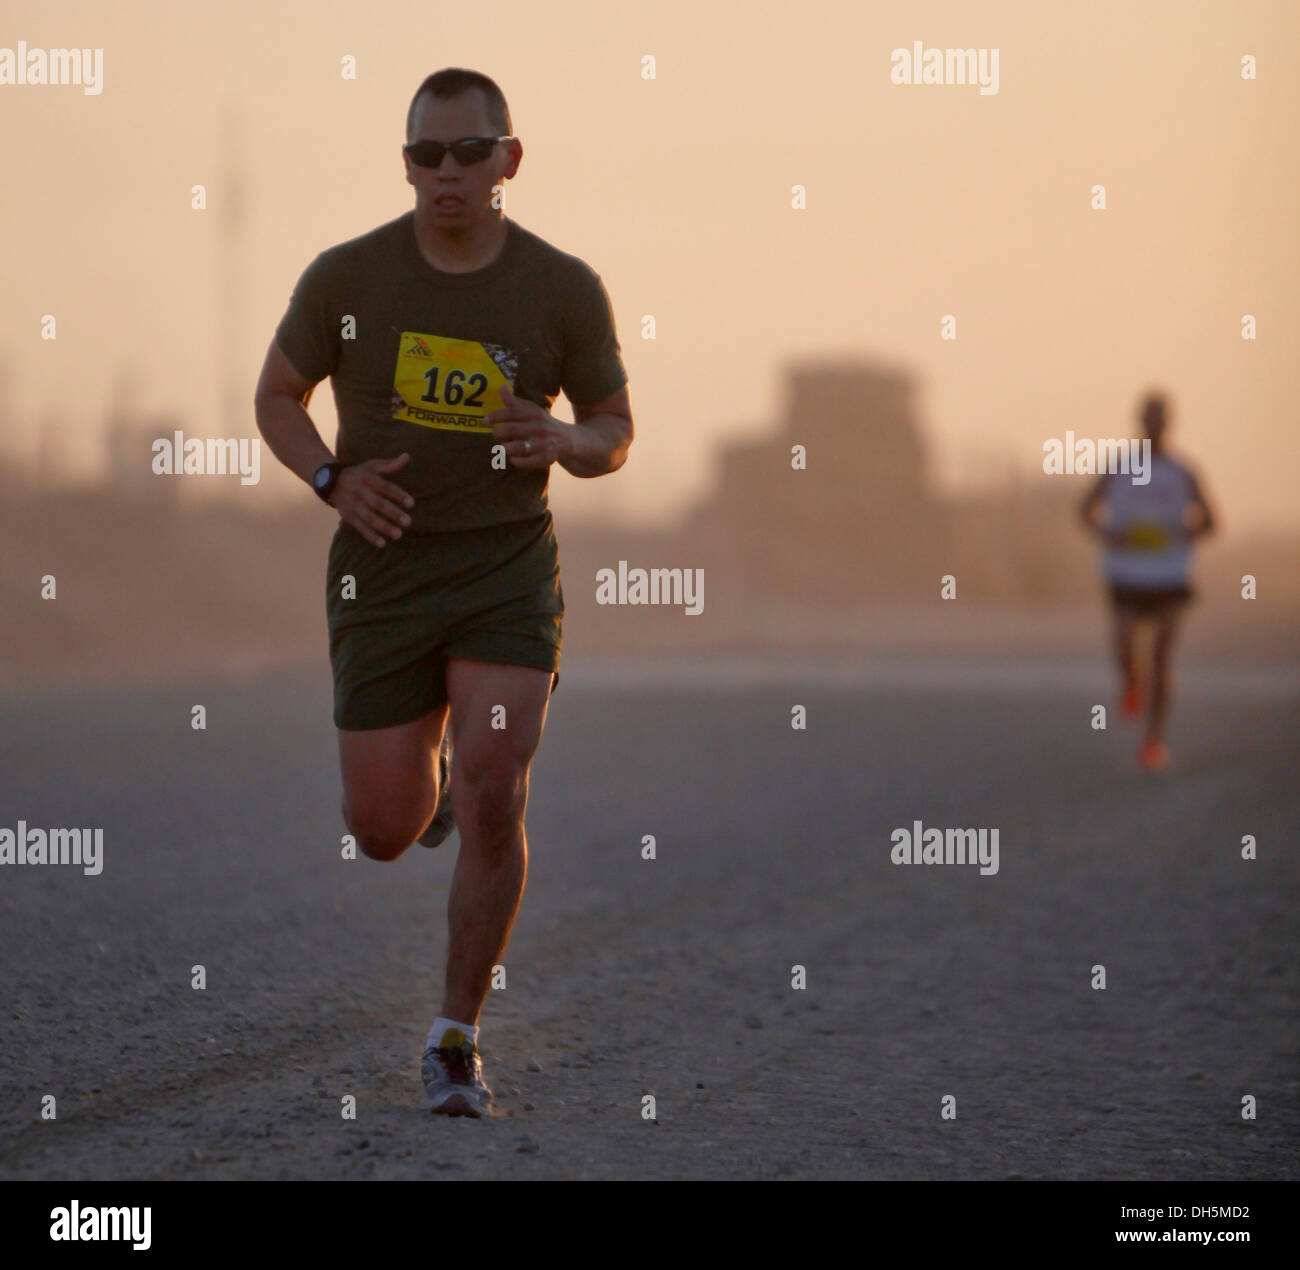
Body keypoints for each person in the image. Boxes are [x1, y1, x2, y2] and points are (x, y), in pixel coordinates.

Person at [253, 68, 633, 1116]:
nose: (449, 174)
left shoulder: (562, 287)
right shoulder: (347, 277)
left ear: (511, 159)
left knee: (496, 789)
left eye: (471, 152)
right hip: (385, 570)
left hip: (506, 569)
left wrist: (566, 438)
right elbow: (276, 395)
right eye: (429, 154)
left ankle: (455, 1037)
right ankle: (427, 789)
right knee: (382, 825)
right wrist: (330, 477)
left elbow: (612, 427)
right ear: (407, 162)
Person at [1079, 391, 1214, 771]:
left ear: (1168, 423)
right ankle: (1131, 684)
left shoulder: (1183, 471)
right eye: (1148, 419)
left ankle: (1154, 740)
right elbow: (1085, 510)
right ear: (1140, 421)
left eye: (1160, 419)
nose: (1154, 427)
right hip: (1126, 573)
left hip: (1170, 574)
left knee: (1162, 656)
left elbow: (1210, 520)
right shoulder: (1120, 467)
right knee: (1123, 642)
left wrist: (1189, 531)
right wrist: (1108, 533)